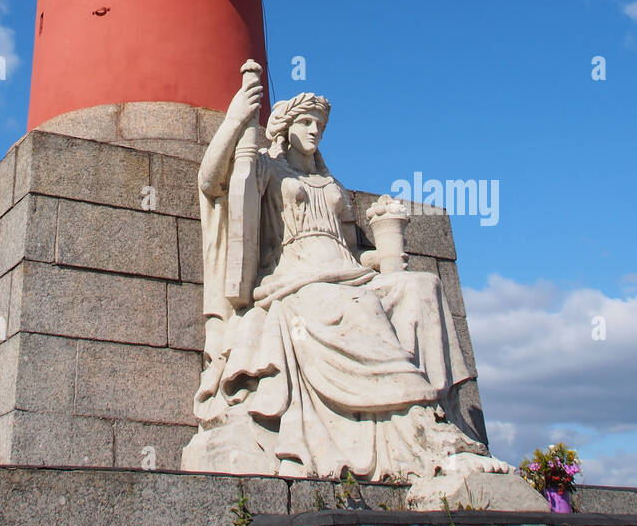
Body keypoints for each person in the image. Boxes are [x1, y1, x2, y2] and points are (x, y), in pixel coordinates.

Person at [184, 65, 493, 481]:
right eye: (306, 122)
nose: (315, 131)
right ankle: (416, 419)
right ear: (285, 127)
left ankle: (442, 414)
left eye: (320, 125)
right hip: (296, 276)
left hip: (346, 271)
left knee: (422, 287)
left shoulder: (330, 183)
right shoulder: (265, 168)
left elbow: (351, 251)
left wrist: (386, 252)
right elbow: (210, 182)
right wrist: (239, 118)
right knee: (355, 305)